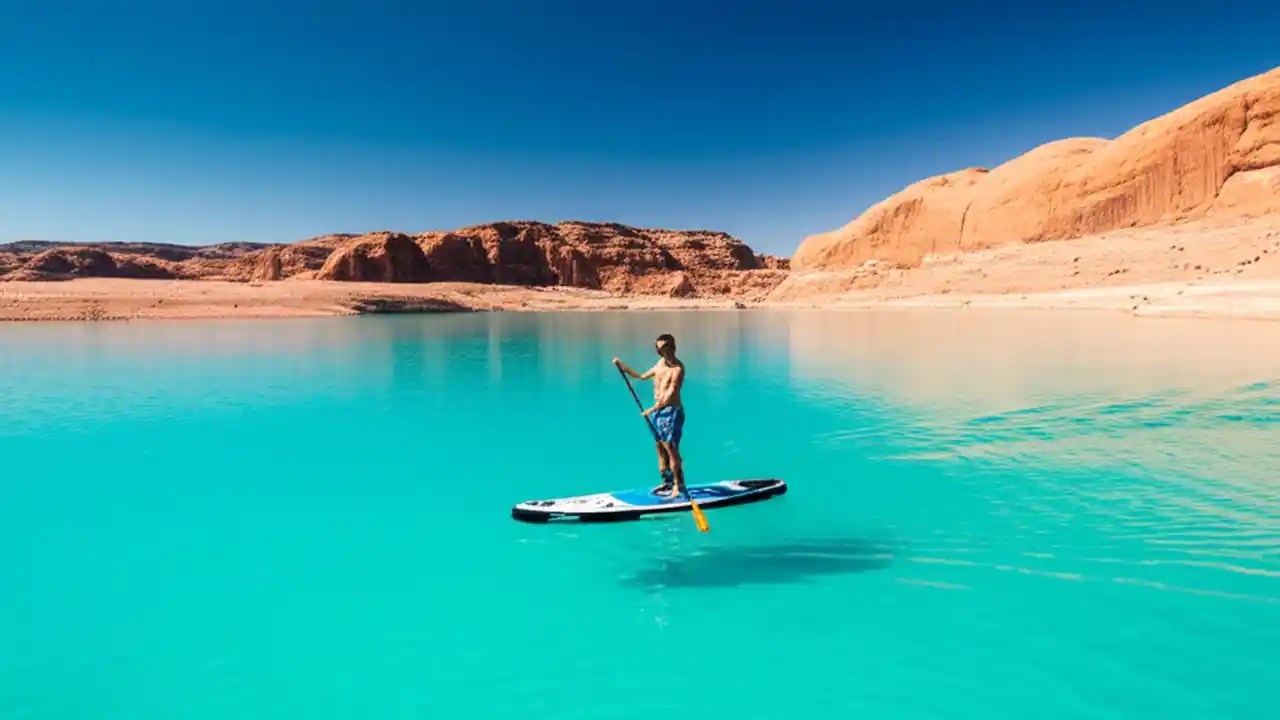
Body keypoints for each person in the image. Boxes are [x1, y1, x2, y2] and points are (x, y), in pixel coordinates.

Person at [613, 333, 686, 498]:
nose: (660, 352)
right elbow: (642, 376)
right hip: (658, 412)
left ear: (672, 347)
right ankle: (666, 482)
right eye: (658, 348)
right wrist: (623, 367)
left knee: (671, 449)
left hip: (671, 412)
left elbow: (671, 391)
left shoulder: (677, 369)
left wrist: (653, 408)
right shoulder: (660, 364)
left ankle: (678, 485)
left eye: (663, 348)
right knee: (660, 448)